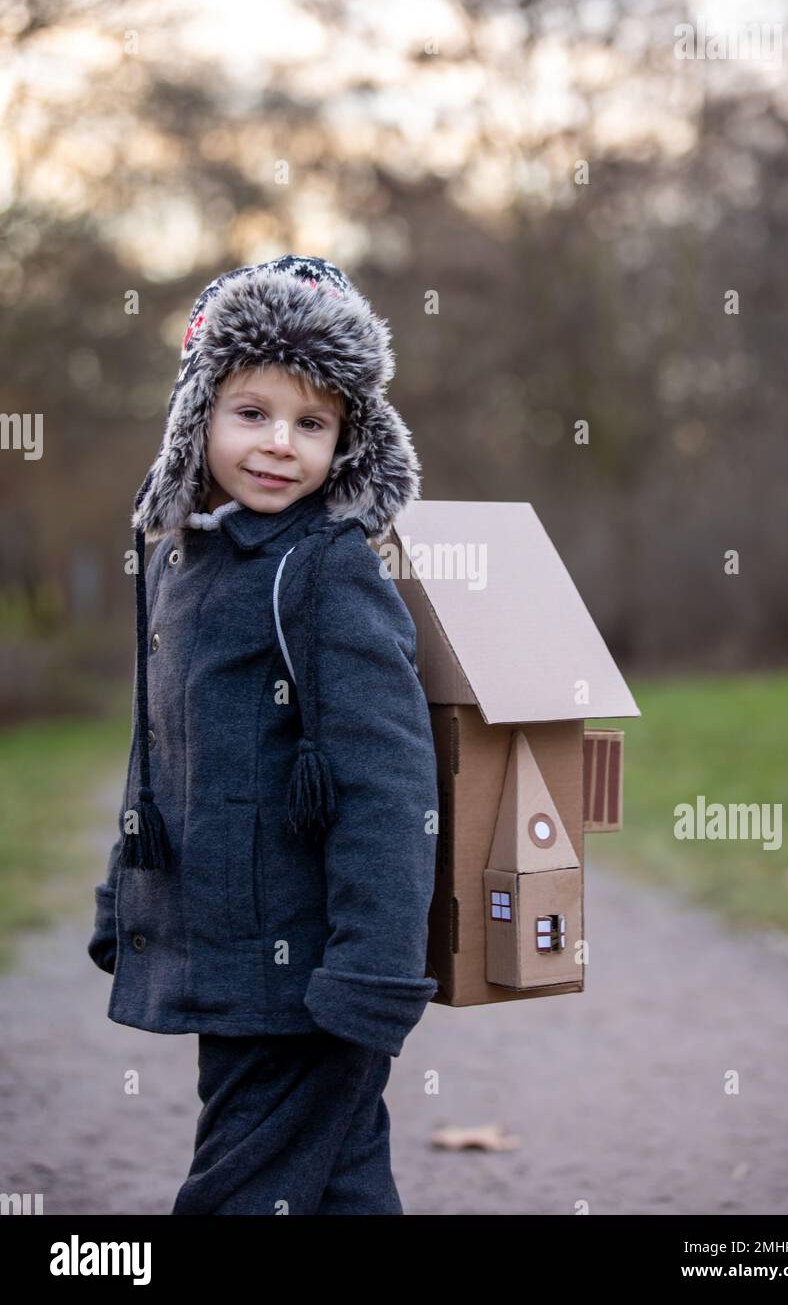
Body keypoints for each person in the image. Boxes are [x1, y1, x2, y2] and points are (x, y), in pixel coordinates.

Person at [87, 253, 440, 1215]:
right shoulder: (183, 563)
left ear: (349, 441)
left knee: (240, 1191)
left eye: (313, 423)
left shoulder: (328, 571)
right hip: (227, 955)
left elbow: (391, 780)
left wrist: (372, 969)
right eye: (253, 413)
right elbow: (157, 754)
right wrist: (125, 897)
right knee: (338, 1184)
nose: (281, 444)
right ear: (195, 415)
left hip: (310, 973)